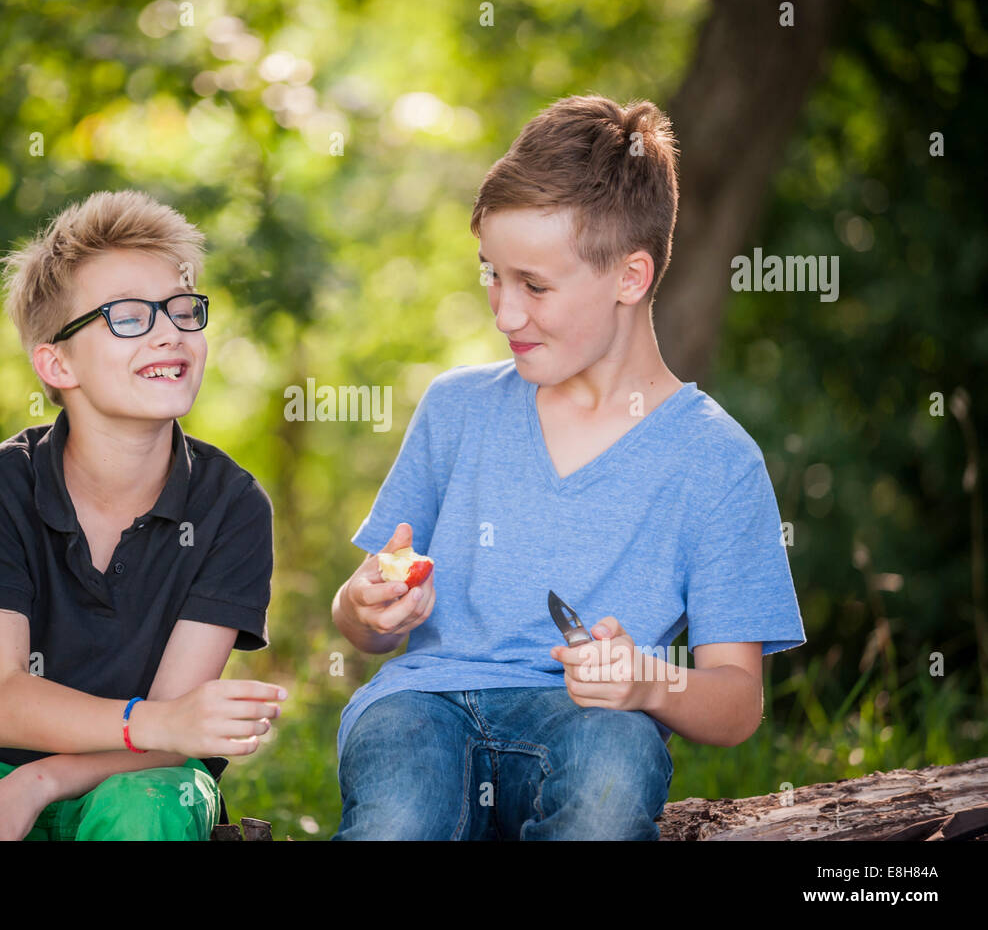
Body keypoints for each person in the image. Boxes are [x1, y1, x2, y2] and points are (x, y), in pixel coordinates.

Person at [330, 95, 805, 840]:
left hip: (589, 719)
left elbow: (739, 704)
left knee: (609, 784)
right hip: (423, 703)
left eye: (534, 285)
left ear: (630, 277)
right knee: (398, 817)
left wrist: (647, 678)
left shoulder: (717, 462)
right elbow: (366, 621)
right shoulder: (457, 410)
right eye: (491, 274)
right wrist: (363, 611)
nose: (504, 314)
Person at [0, 190, 286, 840]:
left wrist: (41, 782)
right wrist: (19, 776)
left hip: (148, 774)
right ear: (56, 363)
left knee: (141, 815)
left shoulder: (233, 505)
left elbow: (175, 733)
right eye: (130, 316)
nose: (171, 331)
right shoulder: (0, 486)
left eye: (183, 310)